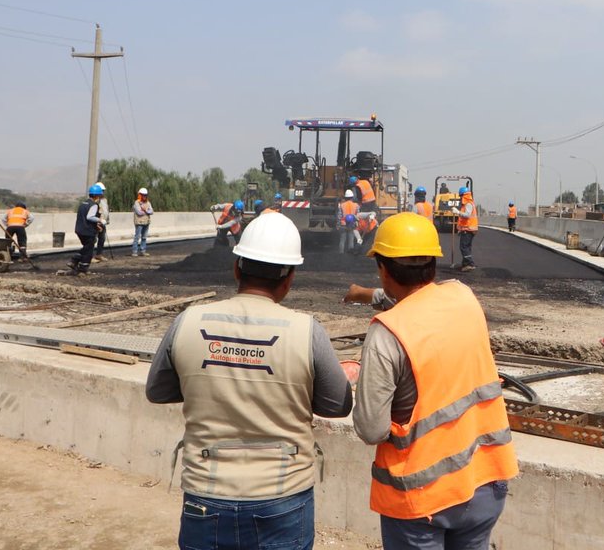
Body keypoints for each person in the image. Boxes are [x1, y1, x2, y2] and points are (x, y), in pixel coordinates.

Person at [146, 213, 353, 550]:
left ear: (237, 269)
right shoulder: (306, 331)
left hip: (206, 495)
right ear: (289, 279)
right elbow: (338, 405)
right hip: (282, 498)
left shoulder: (188, 321)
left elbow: (157, 390)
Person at [342, 213, 517, 549]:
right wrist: (366, 295)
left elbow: (370, 429)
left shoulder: (387, 333)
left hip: (422, 499)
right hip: (485, 480)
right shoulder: (463, 296)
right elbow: (418, 300)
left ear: (382, 267)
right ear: (433, 264)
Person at [64, 185, 105, 276]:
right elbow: (90, 217)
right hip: (87, 231)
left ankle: (75, 263)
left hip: (80, 229)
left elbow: (84, 218)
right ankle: (81, 267)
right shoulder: (94, 205)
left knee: (87, 247)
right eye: (100, 196)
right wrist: (100, 220)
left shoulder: (83, 203)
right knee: (88, 250)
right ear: (97, 196)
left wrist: (96, 226)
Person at [454, 187, 478, 272]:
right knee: (467, 247)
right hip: (467, 228)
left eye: (461, 196)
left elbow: (467, 215)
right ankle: (465, 264)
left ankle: (470, 264)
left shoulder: (468, 204)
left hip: (468, 229)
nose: (460, 198)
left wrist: (458, 212)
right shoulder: (467, 204)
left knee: (464, 247)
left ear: (464, 195)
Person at [92, 182, 111, 261]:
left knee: (102, 239)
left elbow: (106, 211)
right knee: (93, 240)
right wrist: (97, 222)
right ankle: (90, 256)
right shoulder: (95, 201)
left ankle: (99, 254)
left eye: (103, 190)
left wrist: (107, 220)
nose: (103, 192)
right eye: (101, 190)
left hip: (103, 222)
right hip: (97, 223)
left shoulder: (105, 200)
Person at [132, 188, 153, 257]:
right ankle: (134, 251)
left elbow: (151, 211)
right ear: (140, 195)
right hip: (139, 222)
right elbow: (139, 212)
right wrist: (147, 211)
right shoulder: (136, 203)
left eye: (145, 195)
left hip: (146, 222)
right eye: (143, 195)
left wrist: (145, 210)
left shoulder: (148, 202)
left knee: (144, 237)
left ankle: (142, 251)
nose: (145, 196)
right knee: (137, 237)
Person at [339, 189, 360, 254]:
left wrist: (338, 224)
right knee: (351, 239)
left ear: (345, 197)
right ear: (352, 197)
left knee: (342, 240)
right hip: (352, 224)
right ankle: (350, 253)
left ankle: (341, 253)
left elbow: (339, 216)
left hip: (343, 224)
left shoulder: (341, 205)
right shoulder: (356, 205)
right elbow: (357, 216)